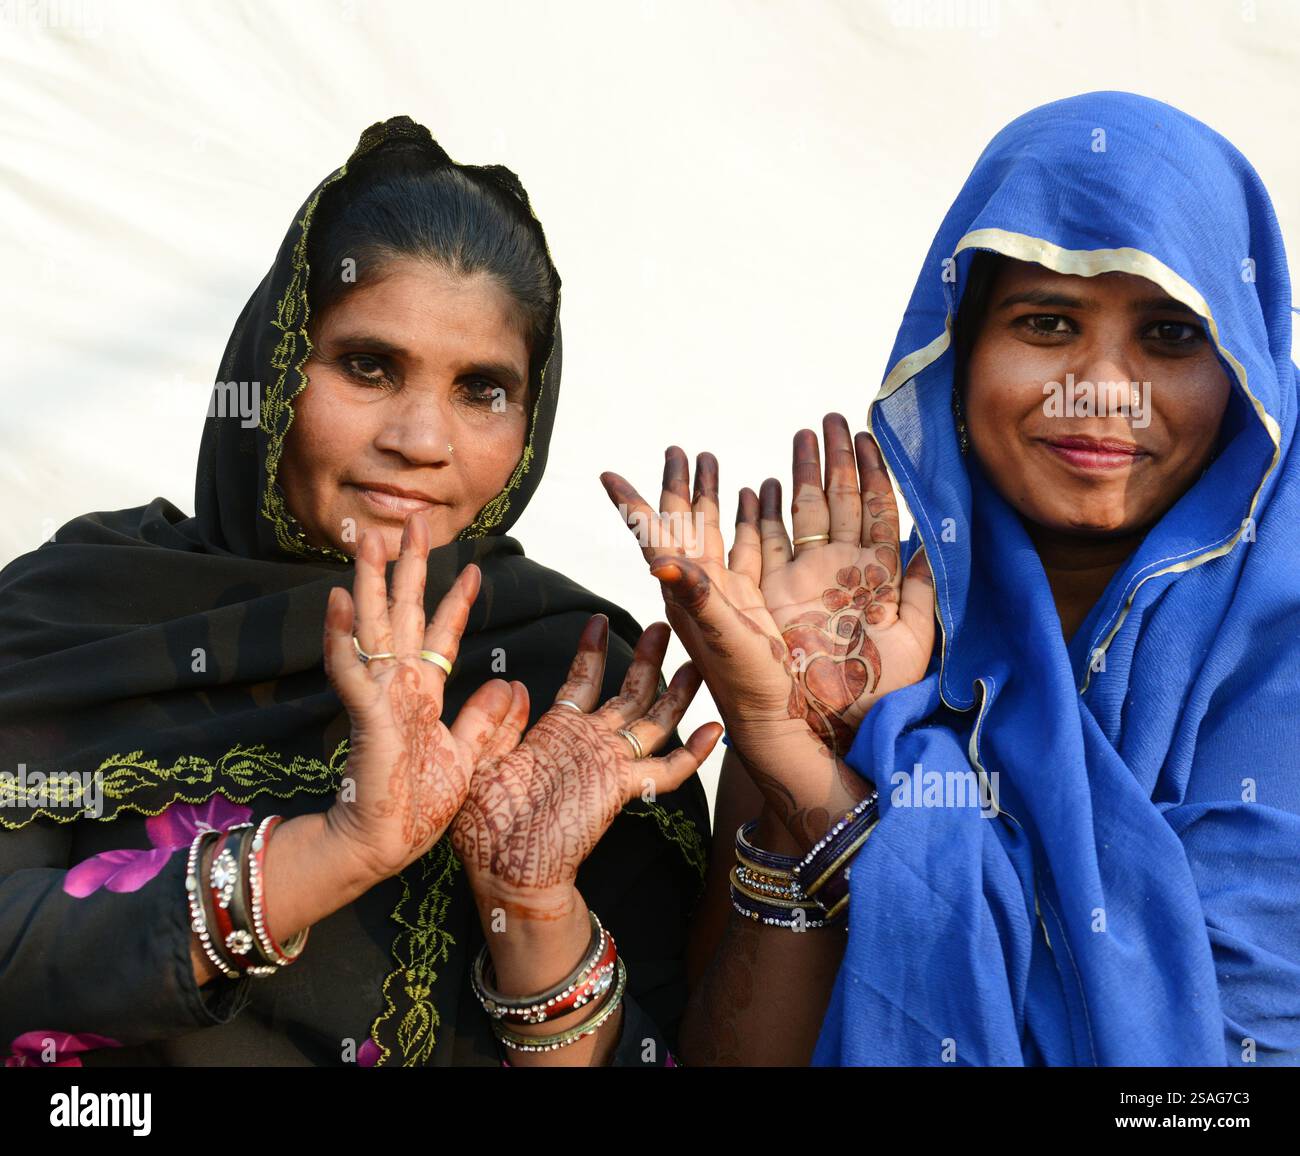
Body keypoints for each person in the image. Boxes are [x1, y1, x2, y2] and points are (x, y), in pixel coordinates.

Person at [0, 116, 716, 1068]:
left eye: (482, 390)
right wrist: (338, 849)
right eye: (369, 367)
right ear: (274, 368)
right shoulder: (70, 612)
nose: (422, 438)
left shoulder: (571, 686)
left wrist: (531, 903)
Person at [603, 90, 1300, 1065]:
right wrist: (795, 742)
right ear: (955, 357)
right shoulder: (845, 639)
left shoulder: (1279, 658)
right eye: (1048, 322)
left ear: (1248, 376)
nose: (1101, 385)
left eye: (1171, 335)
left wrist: (826, 799)